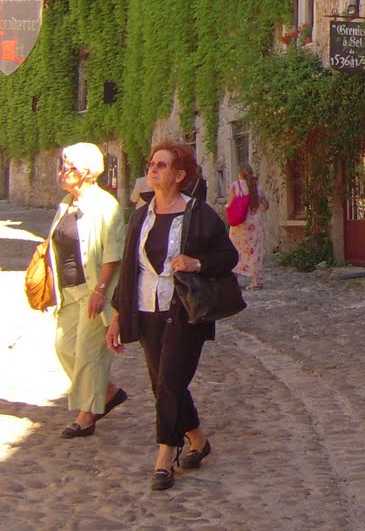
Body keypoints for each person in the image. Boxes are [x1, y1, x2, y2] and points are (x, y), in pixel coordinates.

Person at [107, 140, 238, 490]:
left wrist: (198, 263)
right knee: (162, 384)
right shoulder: (141, 216)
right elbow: (130, 270)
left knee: (168, 382)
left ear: (180, 175)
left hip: (183, 309)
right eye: (152, 163)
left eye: (162, 165)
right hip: (146, 307)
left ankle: (166, 453)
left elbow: (229, 256)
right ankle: (197, 438)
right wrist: (119, 315)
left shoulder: (199, 214)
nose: (153, 169)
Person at [47, 143, 129, 438]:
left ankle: (87, 415)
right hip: (68, 291)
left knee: (88, 354)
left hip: (95, 290)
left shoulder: (106, 206)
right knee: (64, 346)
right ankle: (106, 392)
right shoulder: (65, 204)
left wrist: (100, 291)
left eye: (66, 167)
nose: (61, 172)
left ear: (84, 173)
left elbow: (112, 254)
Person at [226, 164, 270, 289]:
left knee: (236, 249)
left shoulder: (236, 186)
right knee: (254, 250)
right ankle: (255, 281)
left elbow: (229, 204)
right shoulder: (257, 187)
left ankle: (235, 279)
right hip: (255, 224)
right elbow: (266, 204)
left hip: (240, 224)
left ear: (240, 174)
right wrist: (257, 212)